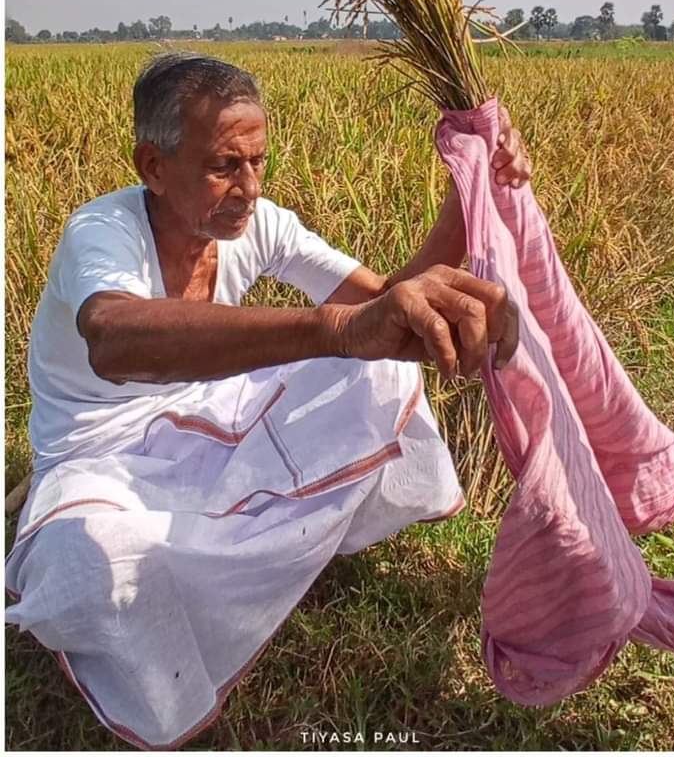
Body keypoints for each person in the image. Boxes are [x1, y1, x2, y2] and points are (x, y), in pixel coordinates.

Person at [6, 52, 532, 749]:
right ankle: (202, 614)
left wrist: (468, 204)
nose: (248, 188)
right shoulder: (101, 234)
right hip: (102, 460)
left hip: (208, 426)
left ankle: (276, 551)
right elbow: (115, 338)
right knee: (98, 559)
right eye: (226, 165)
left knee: (379, 372)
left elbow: (379, 309)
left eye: (258, 162)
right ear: (153, 167)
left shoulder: (259, 225)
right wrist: (333, 330)